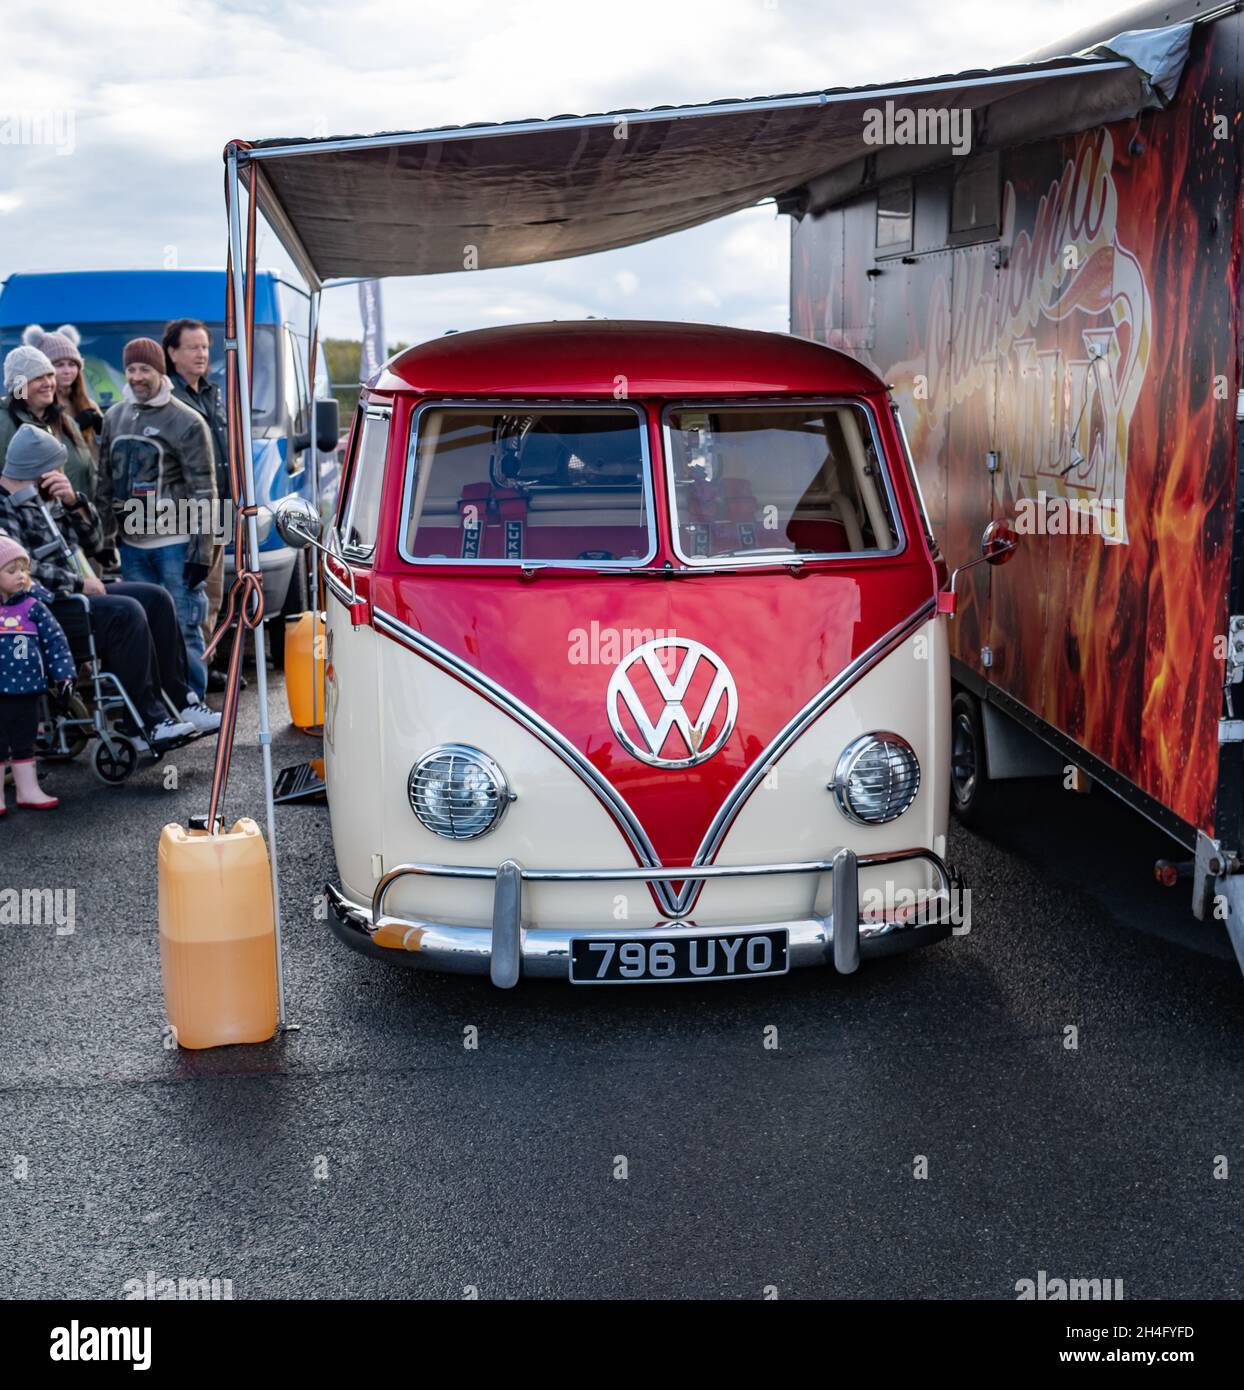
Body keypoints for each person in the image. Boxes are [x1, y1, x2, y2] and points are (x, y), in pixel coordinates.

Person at [0, 423, 218, 747]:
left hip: (75, 592)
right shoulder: (6, 507)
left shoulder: (44, 500)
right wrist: (77, 584)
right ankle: (148, 722)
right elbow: (20, 569)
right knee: (126, 611)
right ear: (37, 470)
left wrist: (74, 502)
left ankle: (181, 700)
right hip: (41, 608)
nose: (62, 473)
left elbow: (94, 542)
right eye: (56, 468)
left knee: (156, 598)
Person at [96, 337, 217, 702]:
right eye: (131, 369)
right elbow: (105, 482)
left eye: (144, 369)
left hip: (175, 546)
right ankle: (159, 704)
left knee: (184, 624)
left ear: (160, 371)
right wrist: (104, 539)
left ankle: (192, 699)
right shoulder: (115, 416)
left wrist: (202, 551)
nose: (136, 377)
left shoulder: (187, 421)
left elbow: (204, 490)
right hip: (132, 548)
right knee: (144, 628)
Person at [164, 318, 229, 669]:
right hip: (188, 511)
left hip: (222, 506)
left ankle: (205, 664)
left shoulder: (212, 392)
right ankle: (190, 670)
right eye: (193, 347)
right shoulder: (167, 398)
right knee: (191, 593)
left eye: (205, 346)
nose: (202, 354)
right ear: (172, 353)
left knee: (214, 593)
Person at [0, 534, 76, 812]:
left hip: (27, 689)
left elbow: (56, 643)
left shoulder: (34, 608)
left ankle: (28, 789)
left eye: (23, 569)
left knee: (24, 739)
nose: (20, 576)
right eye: (11, 571)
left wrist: (64, 676)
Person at [0, 333, 97, 501]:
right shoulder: (3, 423)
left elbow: (89, 476)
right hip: (29, 524)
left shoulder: (66, 422)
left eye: (50, 375)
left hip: (76, 523)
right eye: (38, 378)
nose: (48, 383)